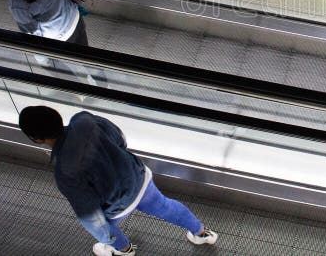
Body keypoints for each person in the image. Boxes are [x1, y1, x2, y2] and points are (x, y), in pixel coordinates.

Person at [19, 106, 218, 255]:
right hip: (138, 178)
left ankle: (125, 250)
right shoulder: (85, 121)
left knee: (106, 227)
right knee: (165, 206)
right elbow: (120, 139)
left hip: (117, 205)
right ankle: (202, 233)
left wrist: (106, 237)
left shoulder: (65, 172)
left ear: (36, 139)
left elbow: (91, 216)